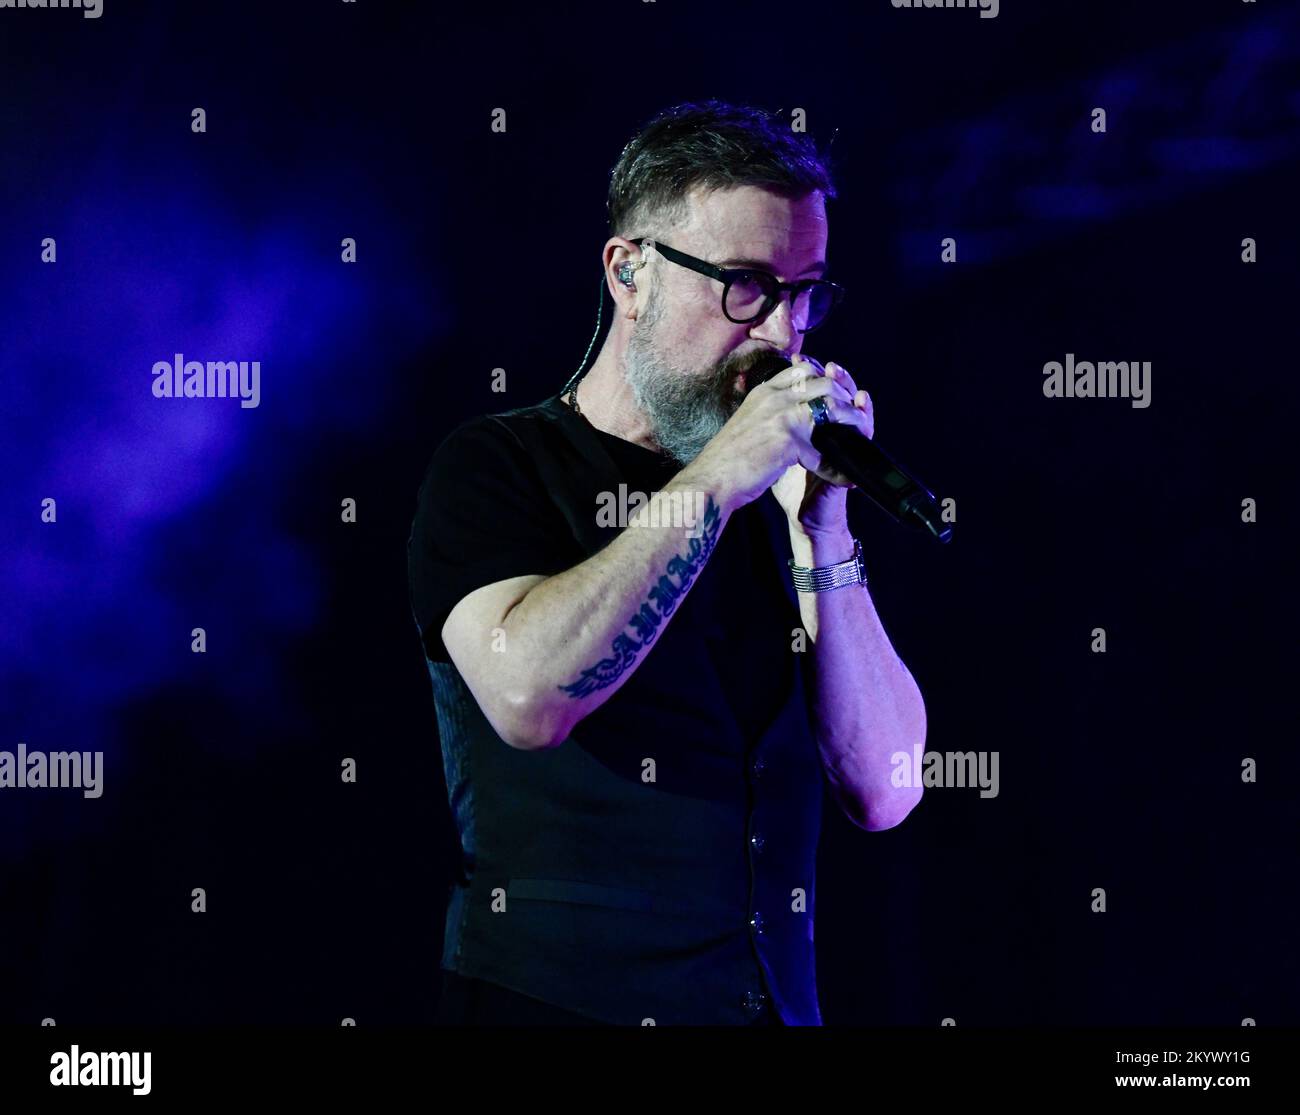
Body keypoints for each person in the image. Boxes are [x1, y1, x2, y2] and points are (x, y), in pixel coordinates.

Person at [407, 100, 927, 1027]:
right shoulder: (499, 466)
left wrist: (831, 528)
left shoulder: (781, 507)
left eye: (804, 290)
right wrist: (720, 473)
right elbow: (530, 698)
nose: (780, 333)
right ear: (630, 273)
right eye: (744, 285)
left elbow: (886, 789)